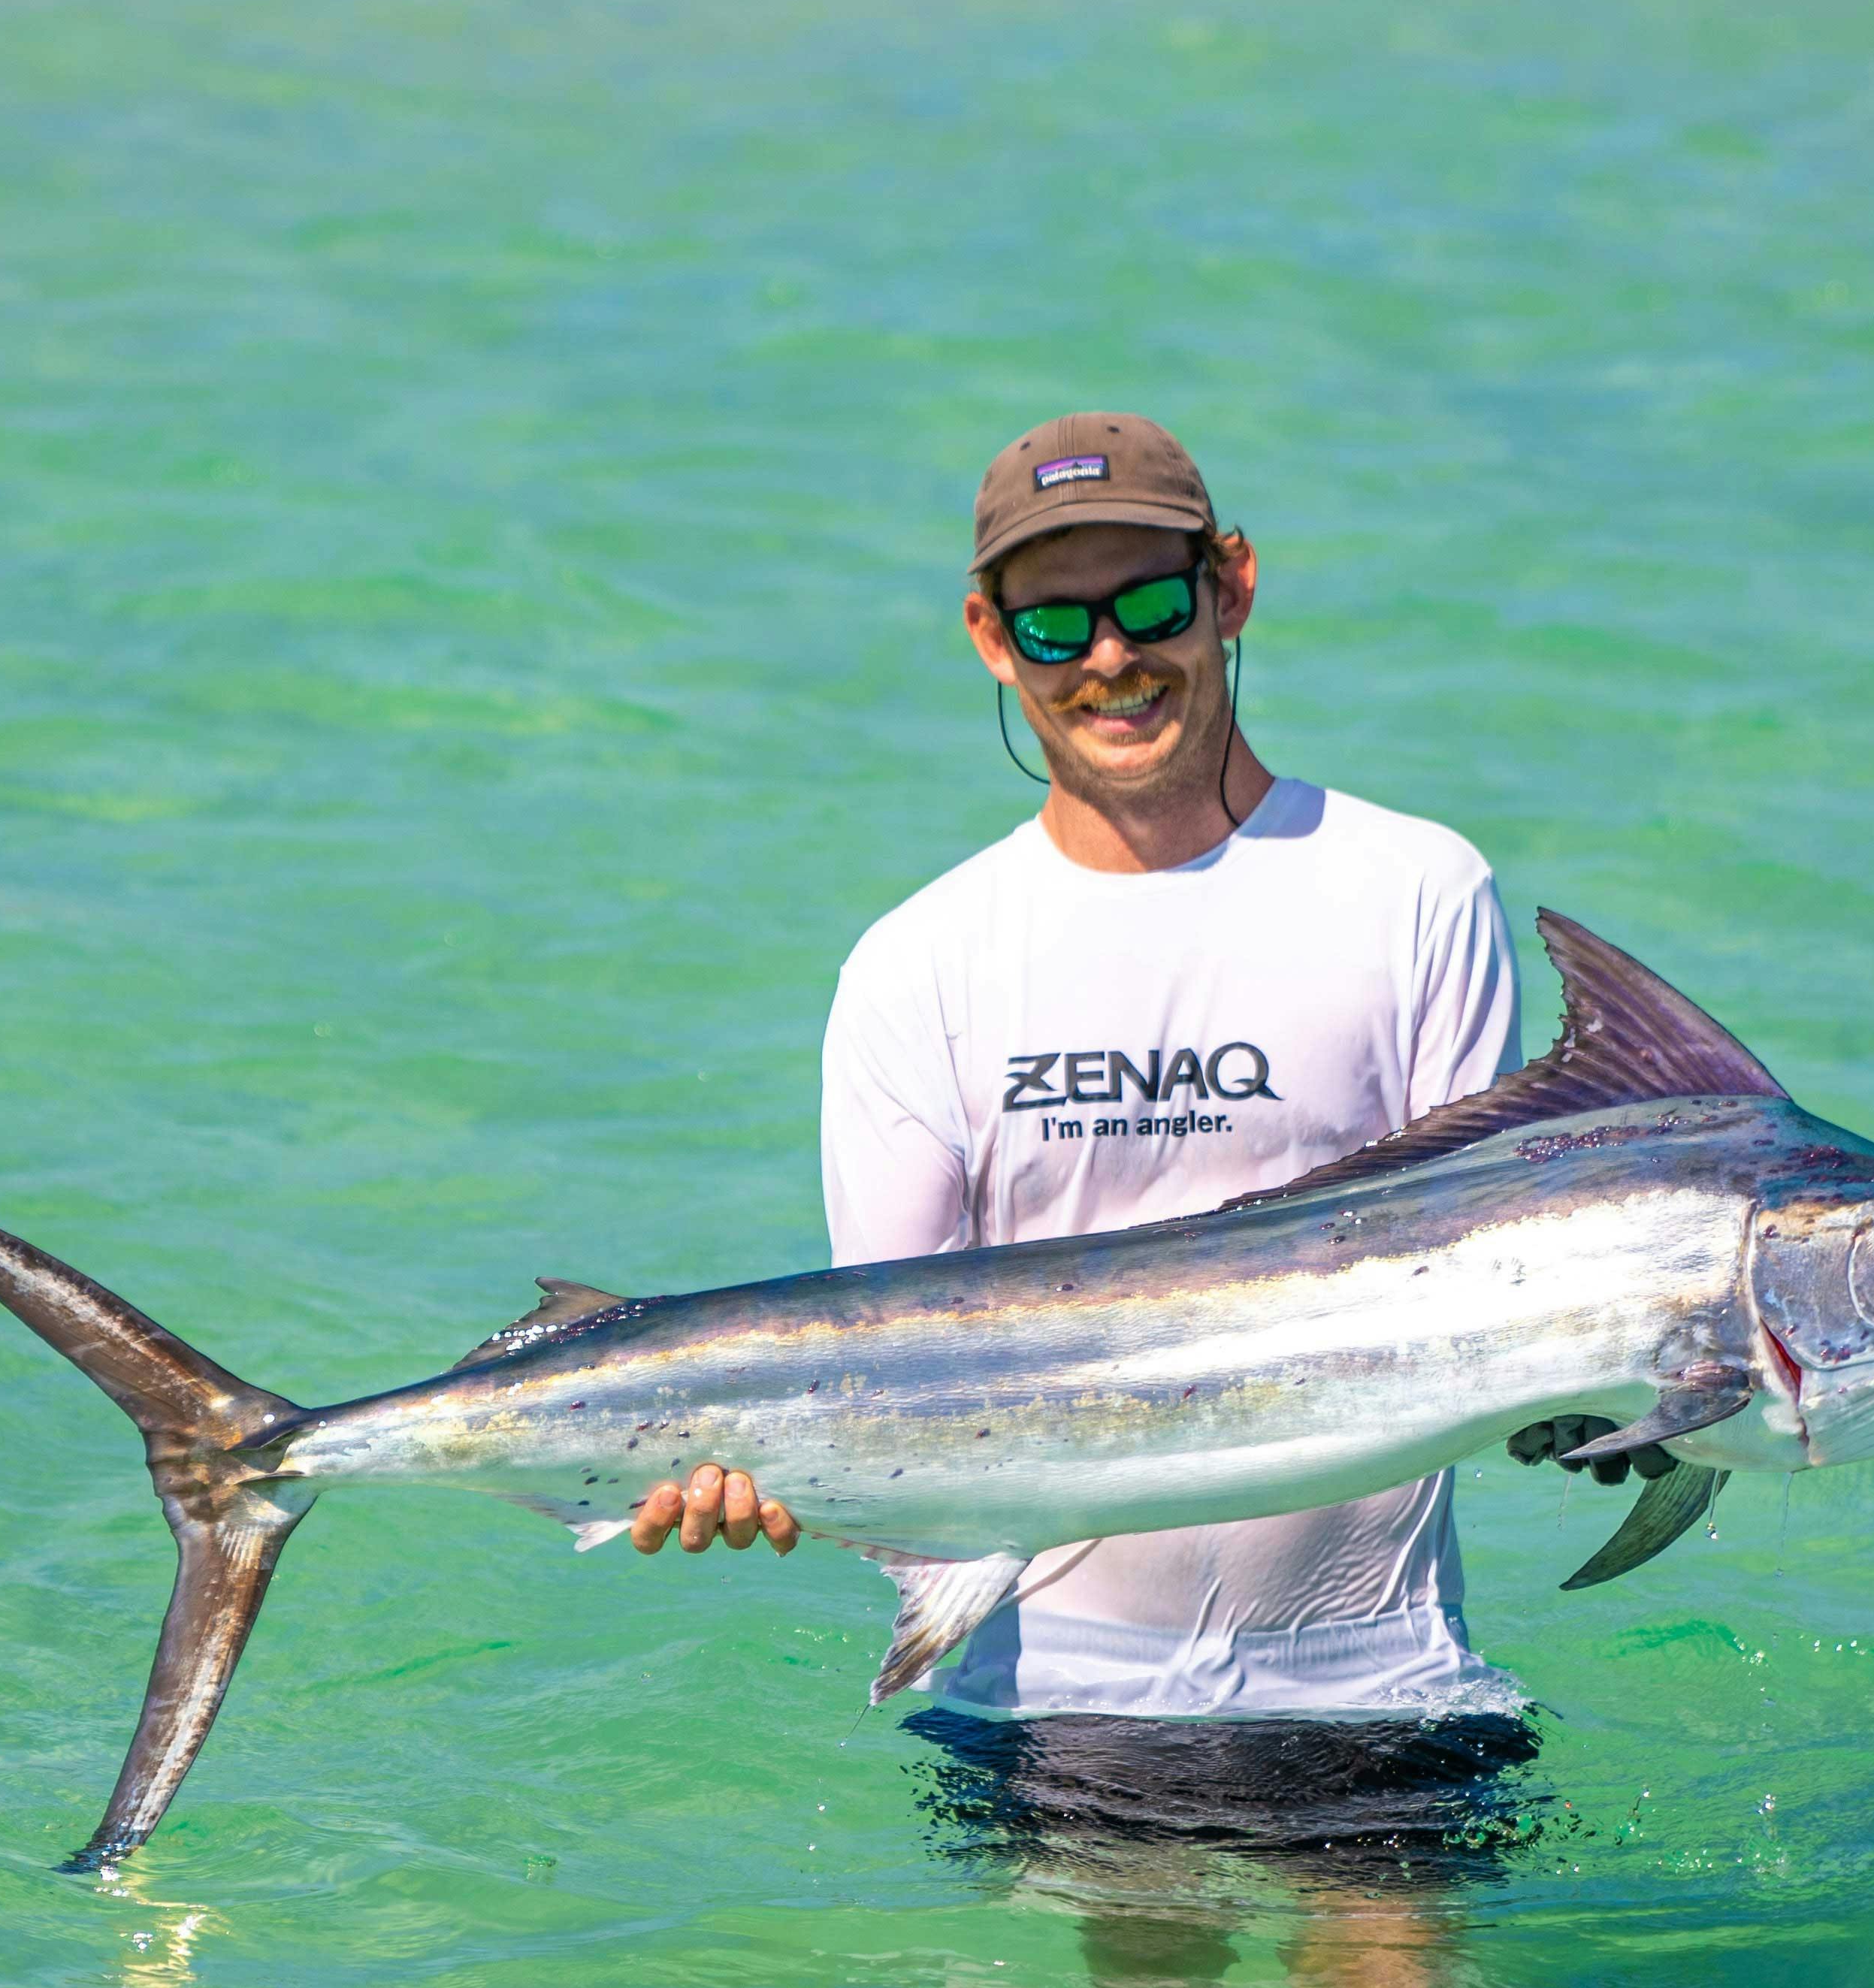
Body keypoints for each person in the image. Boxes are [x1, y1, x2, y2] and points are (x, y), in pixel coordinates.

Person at [632, 410, 1543, 1880]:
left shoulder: (1417, 893)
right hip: (1054, 1691)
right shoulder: (917, 962)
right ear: (993, 639)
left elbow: (1492, 1283)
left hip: (1378, 1676)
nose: (1109, 657)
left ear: (1232, 585)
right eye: (1057, 619)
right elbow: (890, 1370)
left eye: (1149, 604)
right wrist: (746, 1465)